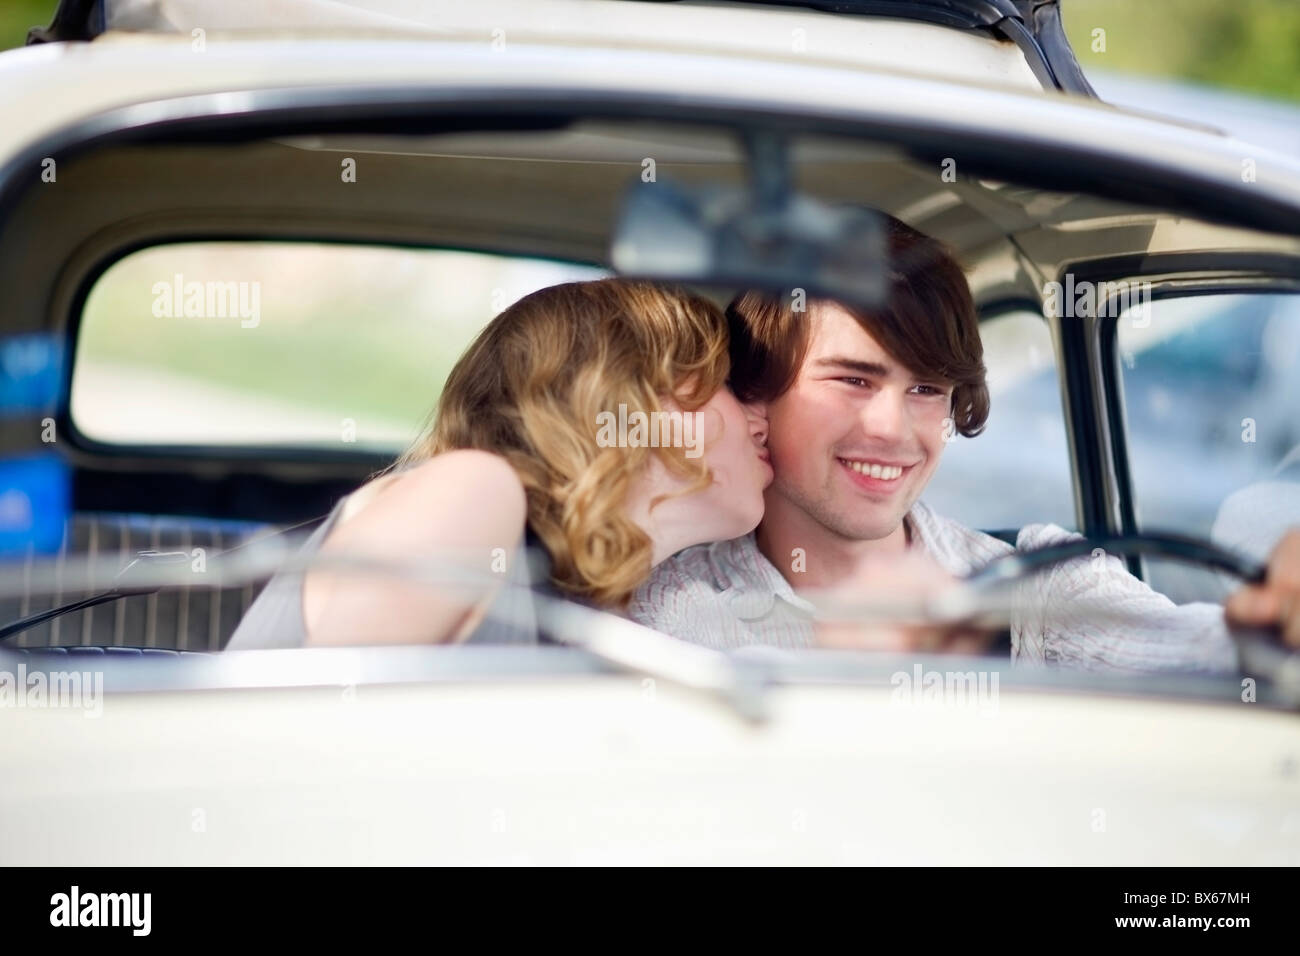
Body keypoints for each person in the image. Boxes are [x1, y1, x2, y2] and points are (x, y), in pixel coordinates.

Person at [629, 215, 1300, 671]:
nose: (893, 429)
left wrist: (1267, 624)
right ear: (756, 397)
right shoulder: (667, 606)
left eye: (926, 390)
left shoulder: (1036, 581)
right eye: (853, 381)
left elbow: (1193, 653)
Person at [226, 278, 771, 649]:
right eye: (724, 383)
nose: (757, 421)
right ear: (631, 399)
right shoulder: (472, 495)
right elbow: (304, 749)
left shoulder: (594, 603)